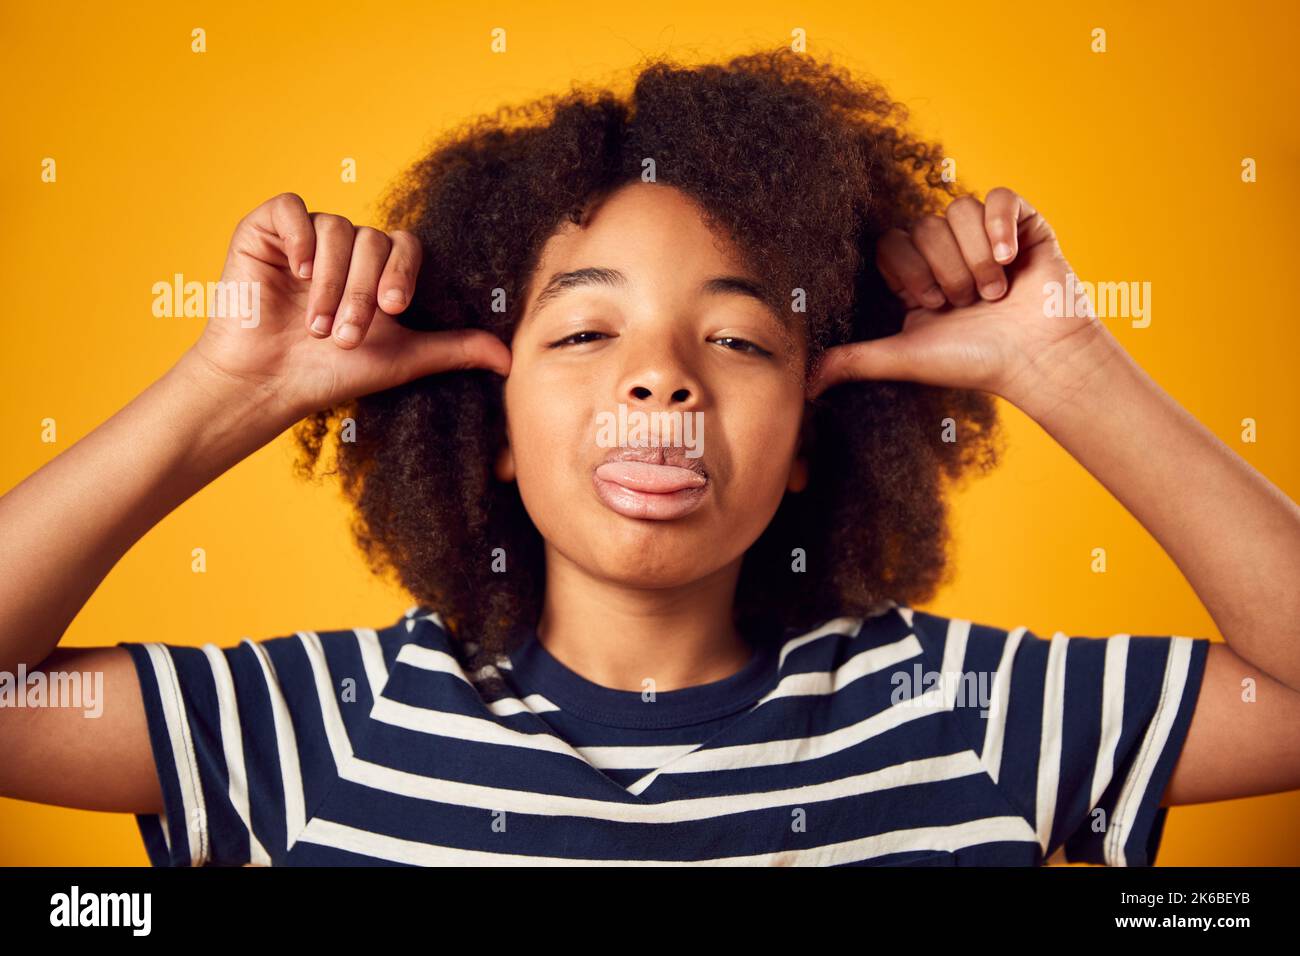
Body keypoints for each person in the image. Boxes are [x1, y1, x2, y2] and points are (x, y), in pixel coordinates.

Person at [1, 48, 1298, 867]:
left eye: (737, 336)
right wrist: (230, 387)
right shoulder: (322, 731)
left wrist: (1065, 363)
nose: (662, 374)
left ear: (807, 437)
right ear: (495, 430)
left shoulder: (965, 715)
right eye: (581, 330)